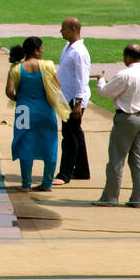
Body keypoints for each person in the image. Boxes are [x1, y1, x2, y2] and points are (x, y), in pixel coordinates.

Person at [93, 44, 140, 208]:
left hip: (127, 119)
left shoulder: (125, 74)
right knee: (138, 161)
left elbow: (105, 92)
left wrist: (101, 80)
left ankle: (110, 197)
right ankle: (138, 199)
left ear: (128, 57)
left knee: (116, 159)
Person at [5, 36, 70, 192]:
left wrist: (21, 99)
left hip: (24, 110)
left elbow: (9, 92)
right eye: (41, 48)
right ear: (36, 50)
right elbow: (57, 86)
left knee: (24, 143)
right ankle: (47, 183)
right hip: (45, 110)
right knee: (49, 144)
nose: (43, 50)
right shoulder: (47, 65)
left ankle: (26, 183)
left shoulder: (15, 68)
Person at [55, 17, 92, 185]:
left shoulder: (79, 52)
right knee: (76, 133)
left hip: (74, 100)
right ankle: (82, 170)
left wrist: (78, 103)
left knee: (69, 136)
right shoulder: (68, 47)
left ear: (72, 29)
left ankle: (65, 174)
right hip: (66, 97)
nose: (61, 31)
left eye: (63, 28)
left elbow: (82, 79)